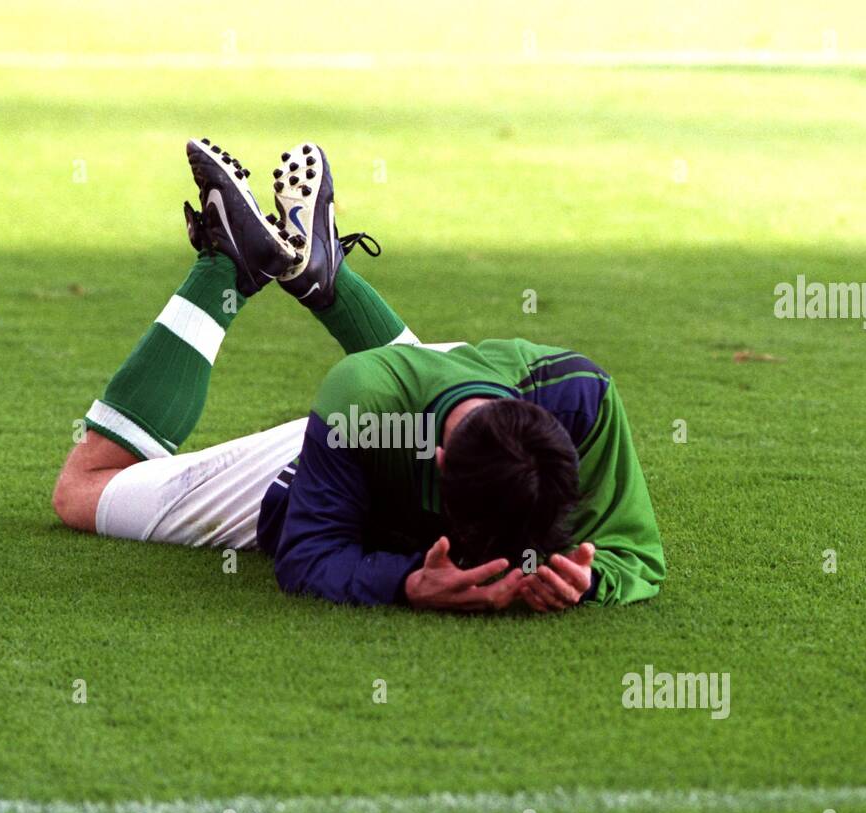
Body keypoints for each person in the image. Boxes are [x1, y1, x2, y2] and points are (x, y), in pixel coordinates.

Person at [52, 138, 665, 612]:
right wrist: (409, 583)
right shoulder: (358, 406)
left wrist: (590, 580)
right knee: (82, 492)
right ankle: (225, 263)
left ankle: (325, 275)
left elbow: (635, 553)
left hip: (433, 387)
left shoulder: (582, 399)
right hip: (356, 439)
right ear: (440, 467)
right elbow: (308, 555)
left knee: (402, 389)